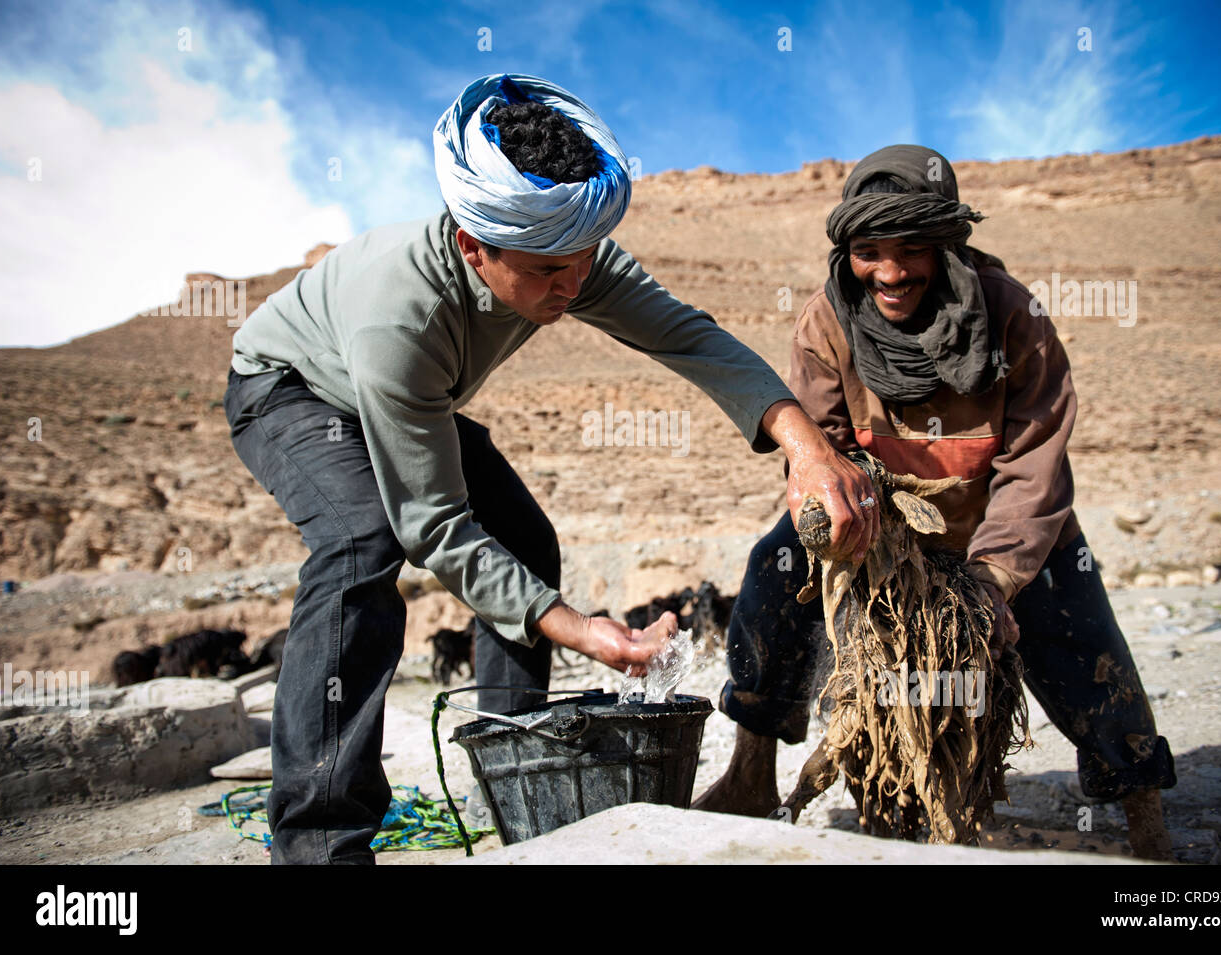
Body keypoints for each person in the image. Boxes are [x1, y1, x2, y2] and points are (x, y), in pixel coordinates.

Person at [222, 73, 876, 864]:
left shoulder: (562, 249)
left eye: (581, 262)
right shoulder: (402, 316)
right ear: (475, 246)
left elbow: (686, 336)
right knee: (363, 543)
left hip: (403, 398)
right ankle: (320, 841)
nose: (571, 288)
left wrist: (805, 444)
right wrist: (585, 634)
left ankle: (513, 780)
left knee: (524, 538)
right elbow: (432, 525)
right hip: (290, 390)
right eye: (544, 272)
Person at [692, 144, 1177, 860]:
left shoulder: (1013, 316)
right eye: (869, 250)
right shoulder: (828, 323)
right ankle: (751, 773)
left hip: (1003, 524)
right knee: (776, 565)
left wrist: (993, 583)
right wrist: (848, 544)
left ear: (948, 244)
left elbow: (1035, 462)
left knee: (1080, 629)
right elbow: (821, 451)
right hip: (883, 529)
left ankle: (1144, 819)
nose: (890, 272)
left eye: (912, 247)